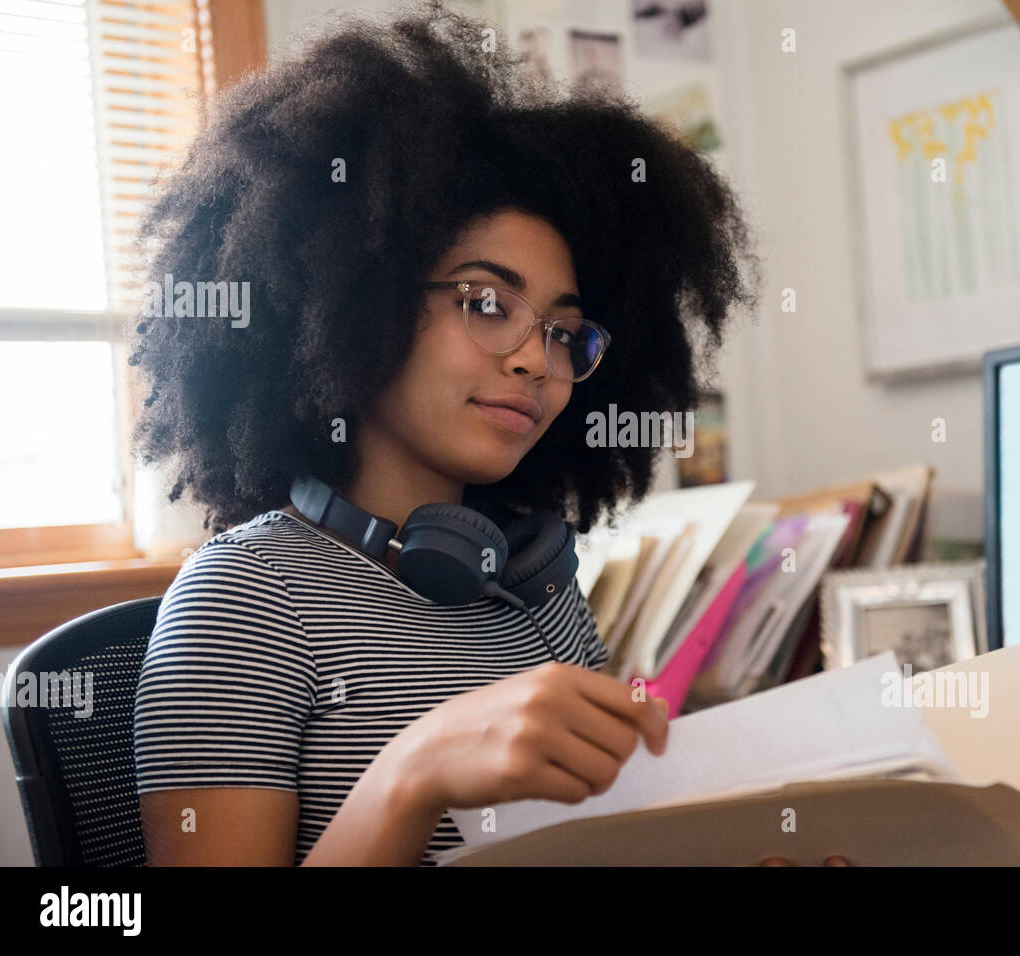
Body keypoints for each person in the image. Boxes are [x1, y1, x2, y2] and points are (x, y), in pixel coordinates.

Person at [127, 0, 843, 866]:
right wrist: (413, 772)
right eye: (485, 303)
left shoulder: (536, 597)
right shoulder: (241, 605)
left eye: (563, 332)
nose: (537, 362)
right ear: (355, 303)